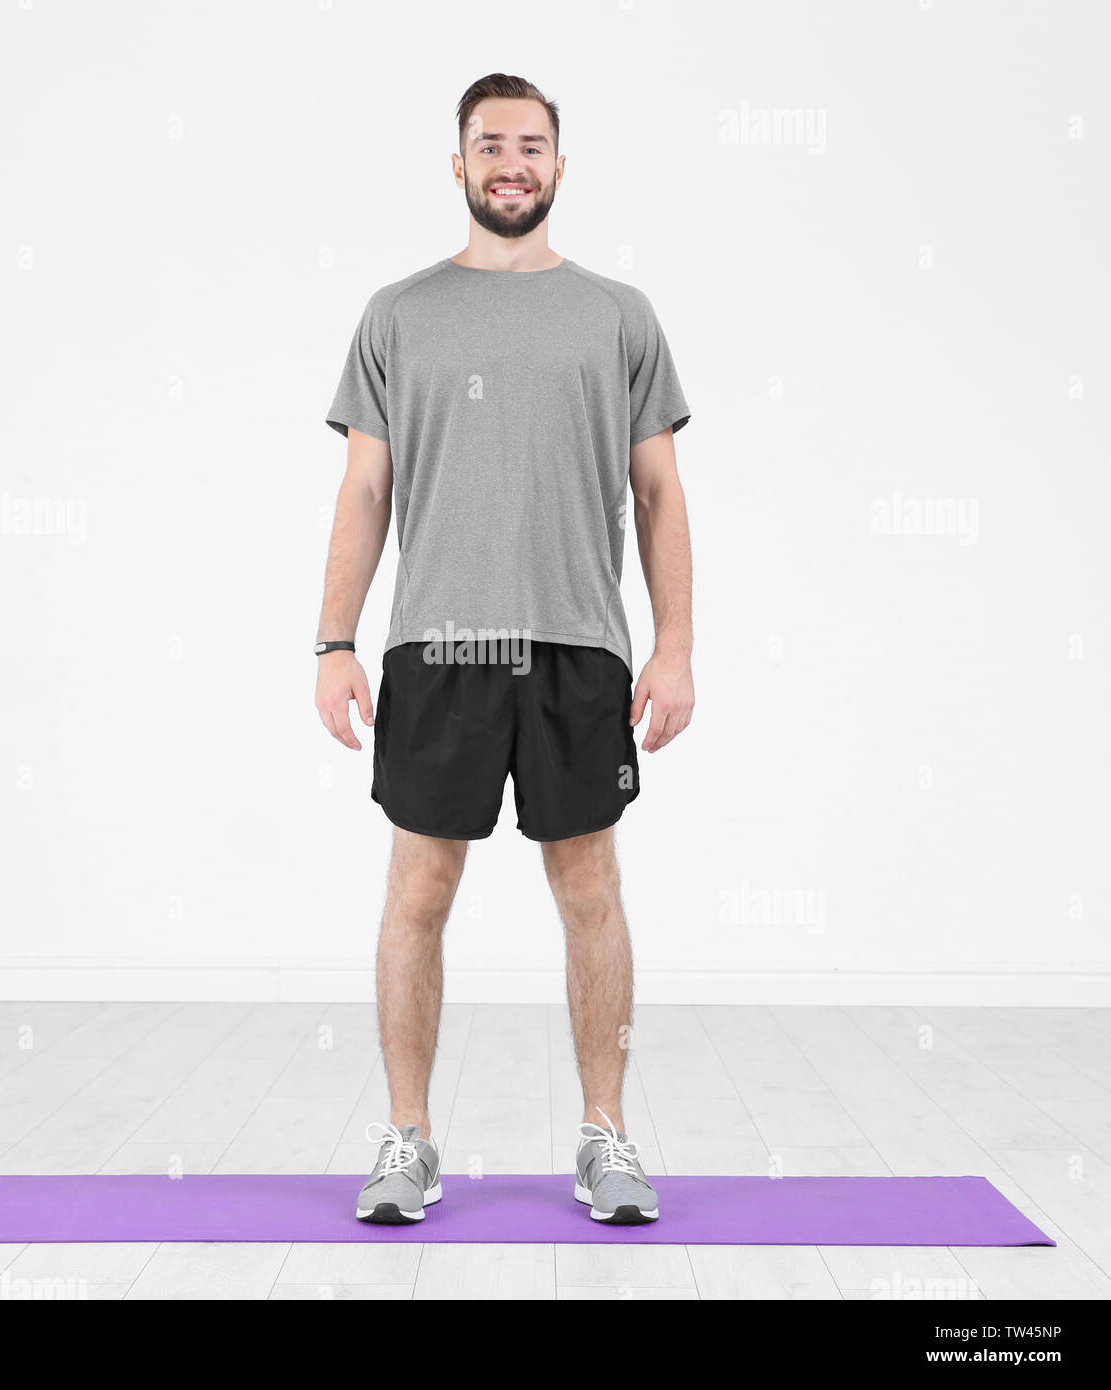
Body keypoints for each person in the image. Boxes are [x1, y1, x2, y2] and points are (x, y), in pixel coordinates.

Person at [316, 73, 694, 1225]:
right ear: (460, 164)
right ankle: (407, 1138)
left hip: (580, 642)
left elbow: (662, 494)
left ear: (560, 167)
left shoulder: (619, 313)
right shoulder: (398, 313)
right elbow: (365, 486)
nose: (512, 162)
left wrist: (673, 646)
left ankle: (607, 1136)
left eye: (532, 144)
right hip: (438, 644)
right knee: (417, 889)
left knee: (590, 888)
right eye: (491, 144)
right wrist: (335, 639)